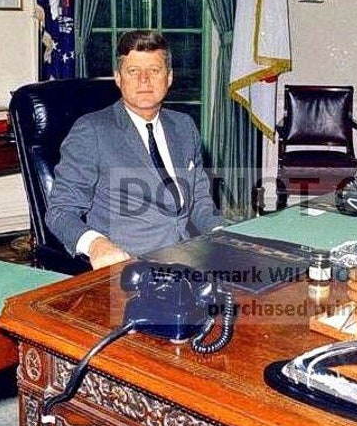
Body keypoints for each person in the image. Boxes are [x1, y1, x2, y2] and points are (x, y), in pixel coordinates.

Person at [46, 30, 224, 270]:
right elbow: (60, 212)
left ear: (169, 77)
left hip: (187, 258)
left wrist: (221, 232)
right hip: (129, 266)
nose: (144, 80)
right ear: (118, 78)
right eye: (133, 71)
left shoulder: (184, 126)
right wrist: (95, 244)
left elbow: (200, 201)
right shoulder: (91, 131)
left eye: (154, 70)